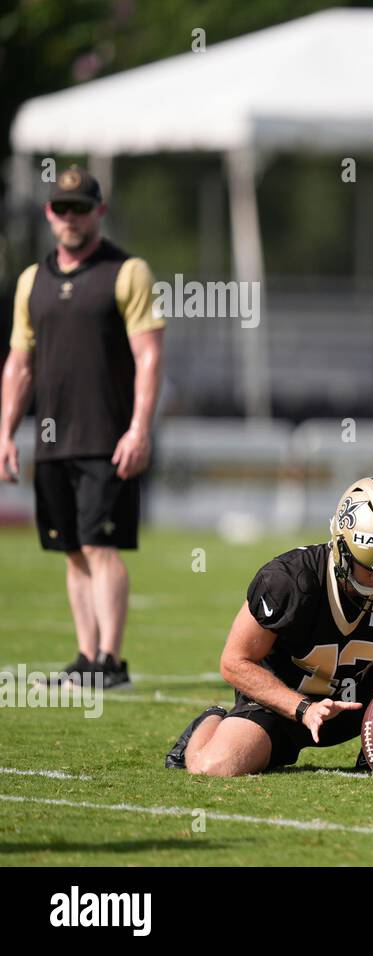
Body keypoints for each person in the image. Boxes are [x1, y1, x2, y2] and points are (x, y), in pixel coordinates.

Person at [164, 477, 373, 776]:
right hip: (284, 703)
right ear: (342, 545)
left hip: (359, 701)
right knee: (215, 766)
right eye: (369, 563)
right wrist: (302, 709)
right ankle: (209, 722)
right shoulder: (288, 580)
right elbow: (234, 661)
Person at [0, 166, 164, 690]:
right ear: (49, 213)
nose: (70, 217)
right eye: (61, 208)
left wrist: (139, 428)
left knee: (99, 545)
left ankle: (111, 664)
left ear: (100, 210)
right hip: (51, 439)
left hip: (107, 436)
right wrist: (5, 432)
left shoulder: (127, 271)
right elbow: (18, 364)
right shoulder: (32, 279)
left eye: (80, 207)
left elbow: (149, 358)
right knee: (71, 546)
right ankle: (86, 655)